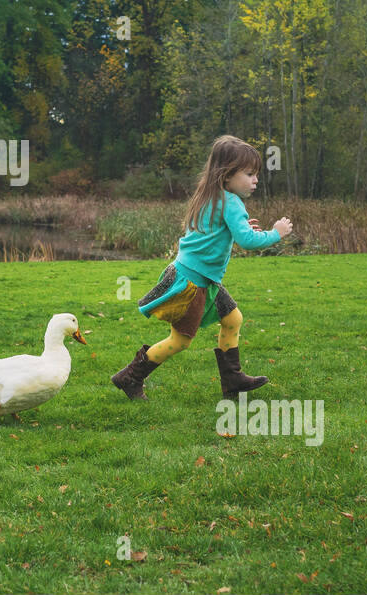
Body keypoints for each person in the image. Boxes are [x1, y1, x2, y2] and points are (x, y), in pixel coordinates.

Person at [111, 135, 293, 402]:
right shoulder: (231, 202)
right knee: (180, 340)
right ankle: (131, 376)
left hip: (196, 276)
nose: (256, 180)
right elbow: (247, 241)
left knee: (233, 319)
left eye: (257, 174)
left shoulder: (209, 196)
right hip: (194, 283)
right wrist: (275, 233)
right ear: (227, 175)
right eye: (250, 174)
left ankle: (232, 379)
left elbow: (219, 232)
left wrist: (241, 228)